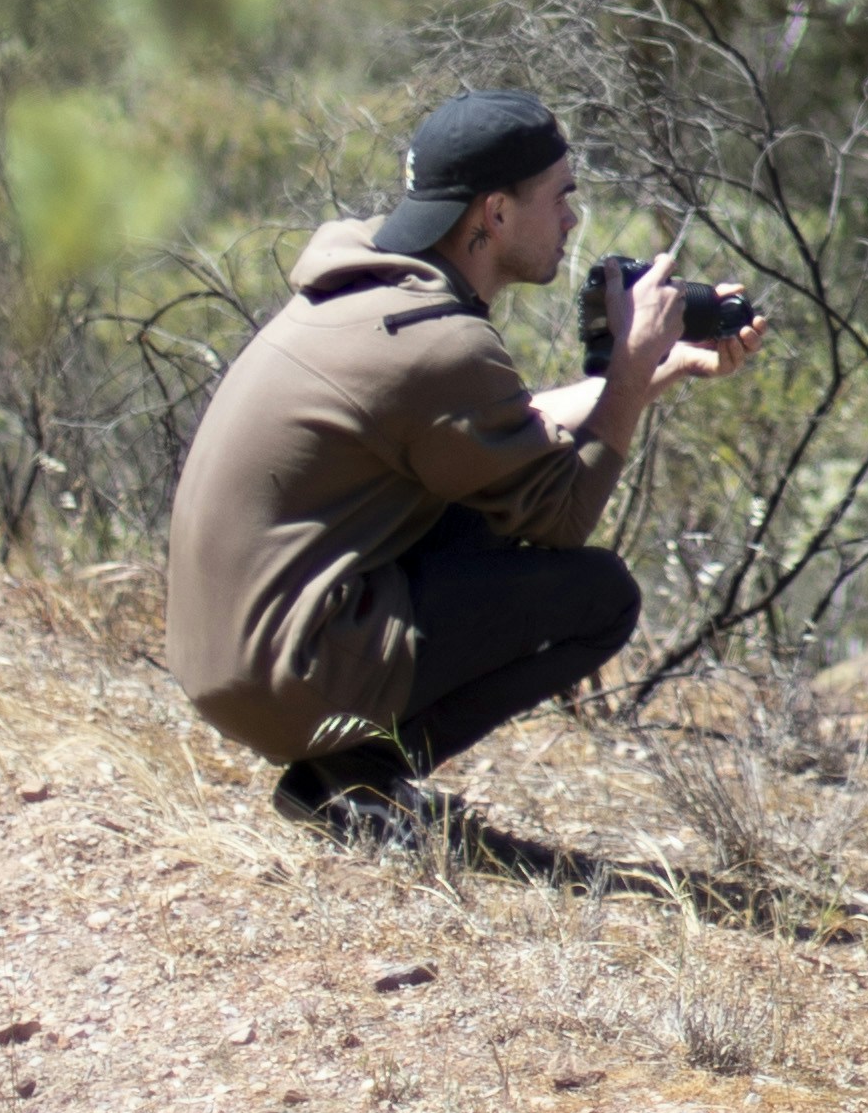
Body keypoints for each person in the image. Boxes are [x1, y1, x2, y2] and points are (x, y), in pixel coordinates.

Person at [164, 86, 745, 841]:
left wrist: (647, 376)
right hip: (287, 673)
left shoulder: (375, 293)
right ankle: (354, 779)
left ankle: (349, 775)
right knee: (598, 595)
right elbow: (564, 517)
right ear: (495, 213)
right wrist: (626, 380)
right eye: (561, 196)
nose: (573, 219)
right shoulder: (440, 345)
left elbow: (486, 431)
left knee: (481, 504)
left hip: (232, 657)